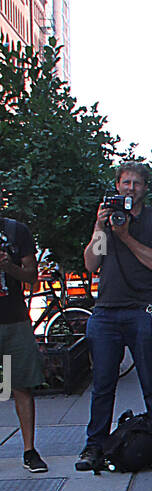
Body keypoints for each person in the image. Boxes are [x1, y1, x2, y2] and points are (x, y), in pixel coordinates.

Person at [76, 162, 152, 471]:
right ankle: (94, 446)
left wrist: (127, 236)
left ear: (145, 188)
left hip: (140, 311)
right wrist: (99, 227)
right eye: (126, 183)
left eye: (137, 184)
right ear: (117, 186)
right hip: (105, 312)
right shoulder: (107, 224)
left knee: (151, 384)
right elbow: (92, 264)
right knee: (103, 384)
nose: (131, 188)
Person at [0, 199, 48, 471]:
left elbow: (32, 277)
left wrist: (9, 267)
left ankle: (29, 450)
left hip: (14, 320)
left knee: (22, 385)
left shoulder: (17, 232)